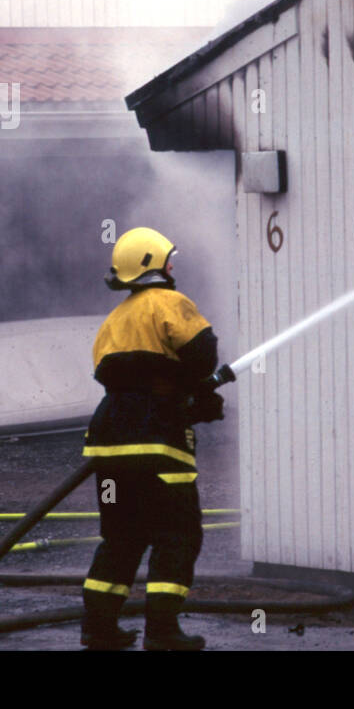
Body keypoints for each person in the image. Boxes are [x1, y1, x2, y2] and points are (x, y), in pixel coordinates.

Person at [81, 226, 224, 651]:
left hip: (106, 448)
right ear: (155, 266)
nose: (173, 265)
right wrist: (195, 393)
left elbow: (121, 377)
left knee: (121, 536)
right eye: (168, 259)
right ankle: (162, 632)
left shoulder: (113, 320)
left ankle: (98, 628)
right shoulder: (169, 302)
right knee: (176, 534)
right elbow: (203, 353)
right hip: (158, 445)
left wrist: (184, 392)